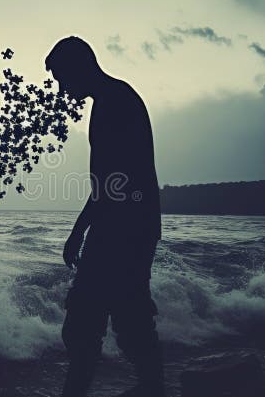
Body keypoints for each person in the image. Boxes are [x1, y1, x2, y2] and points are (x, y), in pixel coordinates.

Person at [46, 36, 164, 397]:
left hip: (123, 229)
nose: (62, 91)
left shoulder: (114, 103)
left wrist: (78, 232)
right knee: (125, 318)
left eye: (63, 80)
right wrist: (83, 230)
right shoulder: (113, 98)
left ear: (80, 67)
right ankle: (151, 387)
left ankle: (147, 388)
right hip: (129, 225)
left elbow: (111, 182)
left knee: (88, 321)